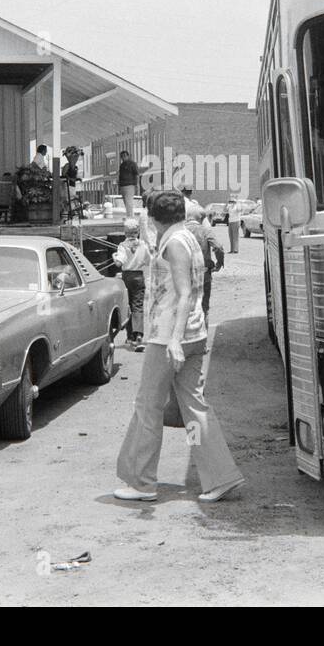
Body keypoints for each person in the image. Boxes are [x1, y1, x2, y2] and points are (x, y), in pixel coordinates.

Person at [114, 190, 244, 504]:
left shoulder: (173, 244)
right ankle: (219, 476)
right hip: (194, 333)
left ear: (153, 217)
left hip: (169, 337)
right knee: (194, 406)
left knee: (148, 407)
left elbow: (184, 294)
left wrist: (173, 339)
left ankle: (143, 483)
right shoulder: (186, 238)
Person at [113, 217, 150, 351]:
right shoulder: (143, 245)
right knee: (138, 305)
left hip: (126, 277)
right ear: (138, 231)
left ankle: (130, 337)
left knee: (127, 305)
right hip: (138, 276)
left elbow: (119, 263)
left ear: (125, 232)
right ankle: (138, 335)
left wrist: (115, 257)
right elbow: (148, 260)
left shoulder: (122, 246)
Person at [185, 205, 224, 316]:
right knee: (203, 309)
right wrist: (219, 263)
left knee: (186, 308)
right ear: (202, 219)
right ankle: (203, 332)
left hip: (184, 273)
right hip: (204, 272)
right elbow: (218, 247)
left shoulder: (180, 231)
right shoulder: (205, 231)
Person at [117, 150, 140, 217]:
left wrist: (137, 184)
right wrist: (119, 185)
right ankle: (130, 216)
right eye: (122, 156)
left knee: (128, 201)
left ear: (128, 156)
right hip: (122, 186)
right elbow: (120, 176)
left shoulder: (132, 164)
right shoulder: (121, 166)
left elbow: (137, 174)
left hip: (130, 185)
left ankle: (130, 217)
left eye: (124, 156)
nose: (123, 157)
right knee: (125, 202)